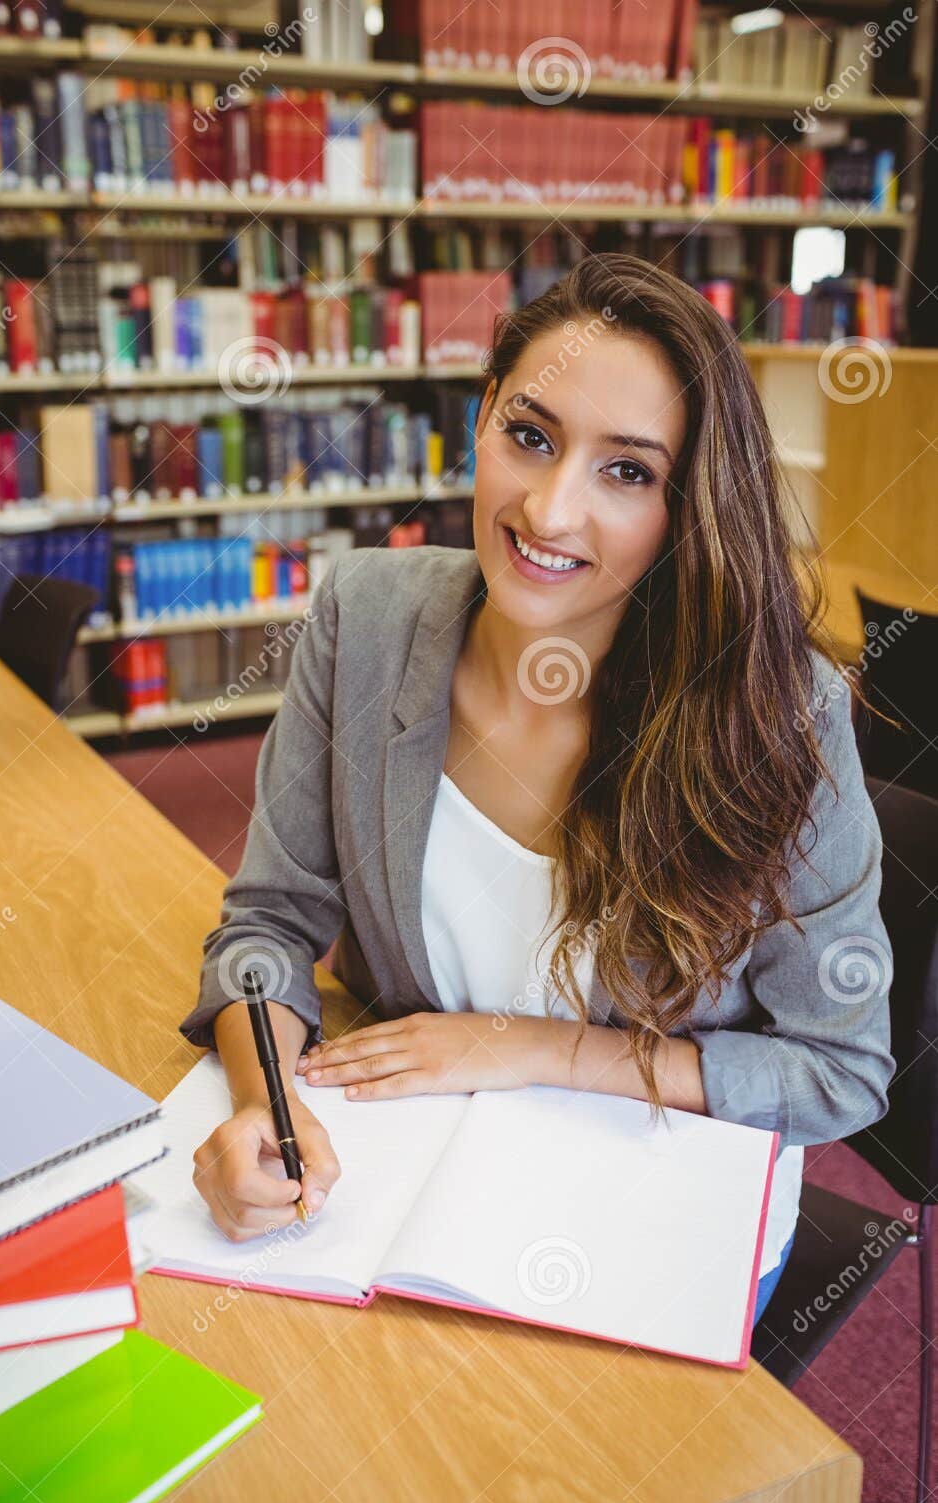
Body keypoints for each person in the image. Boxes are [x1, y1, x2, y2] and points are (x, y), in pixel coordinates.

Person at [179, 253, 894, 1325]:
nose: (549, 511)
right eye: (530, 435)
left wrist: (532, 1050)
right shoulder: (365, 617)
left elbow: (837, 1072)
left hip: (659, 1192)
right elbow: (269, 924)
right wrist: (261, 1108)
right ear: (480, 420)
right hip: (419, 1160)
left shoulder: (777, 709)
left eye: (627, 471)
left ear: (689, 505)